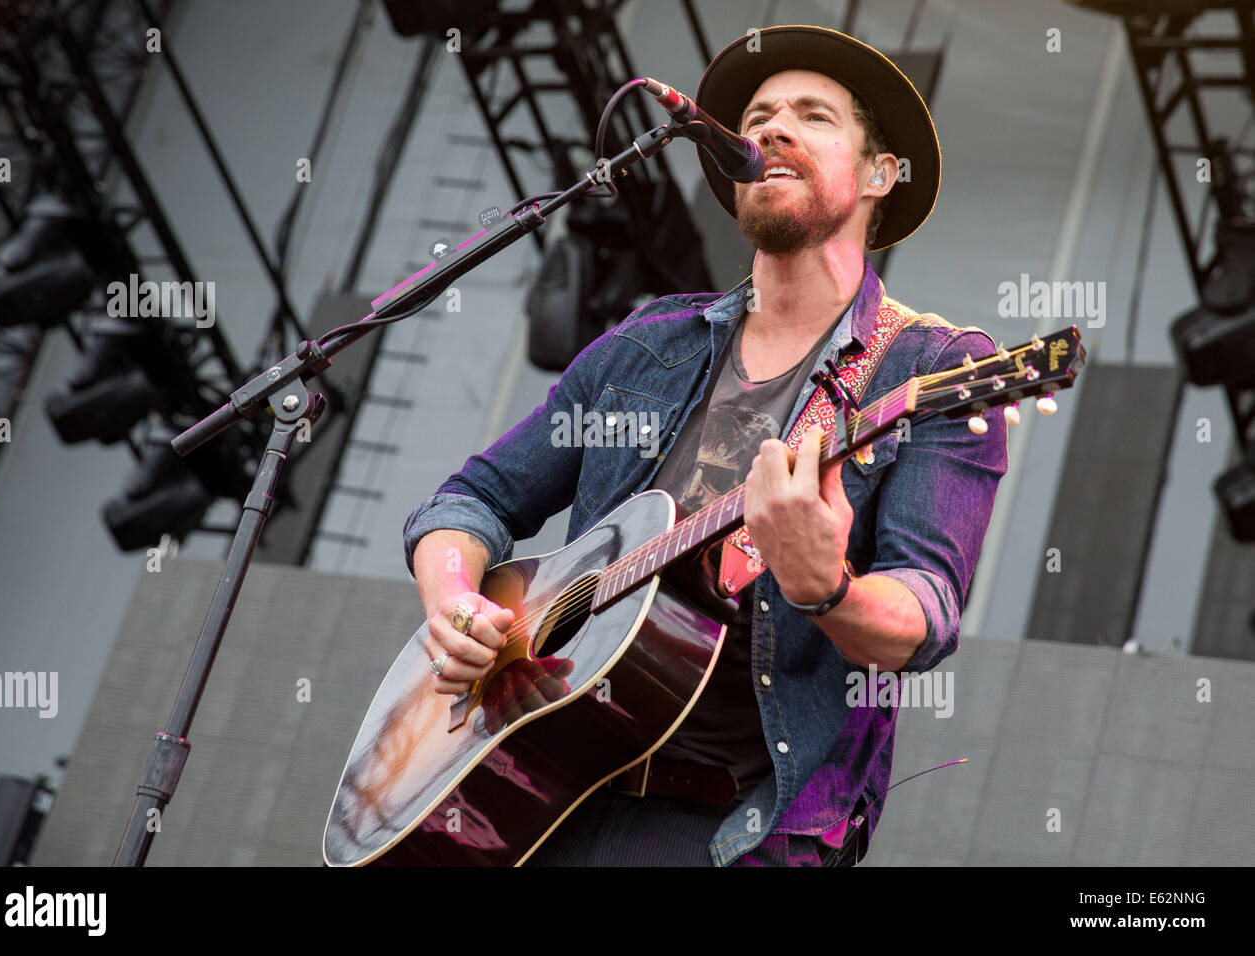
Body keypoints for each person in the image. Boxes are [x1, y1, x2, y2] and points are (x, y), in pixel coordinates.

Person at [402, 25, 1008, 866]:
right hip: (534, 790)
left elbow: (922, 615)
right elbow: (470, 502)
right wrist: (454, 599)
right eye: (758, 116)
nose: (771, 128)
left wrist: (826, 587)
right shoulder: (650, 339)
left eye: (814, 115)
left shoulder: (933, 370)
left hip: (724, 831)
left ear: (880, 175)